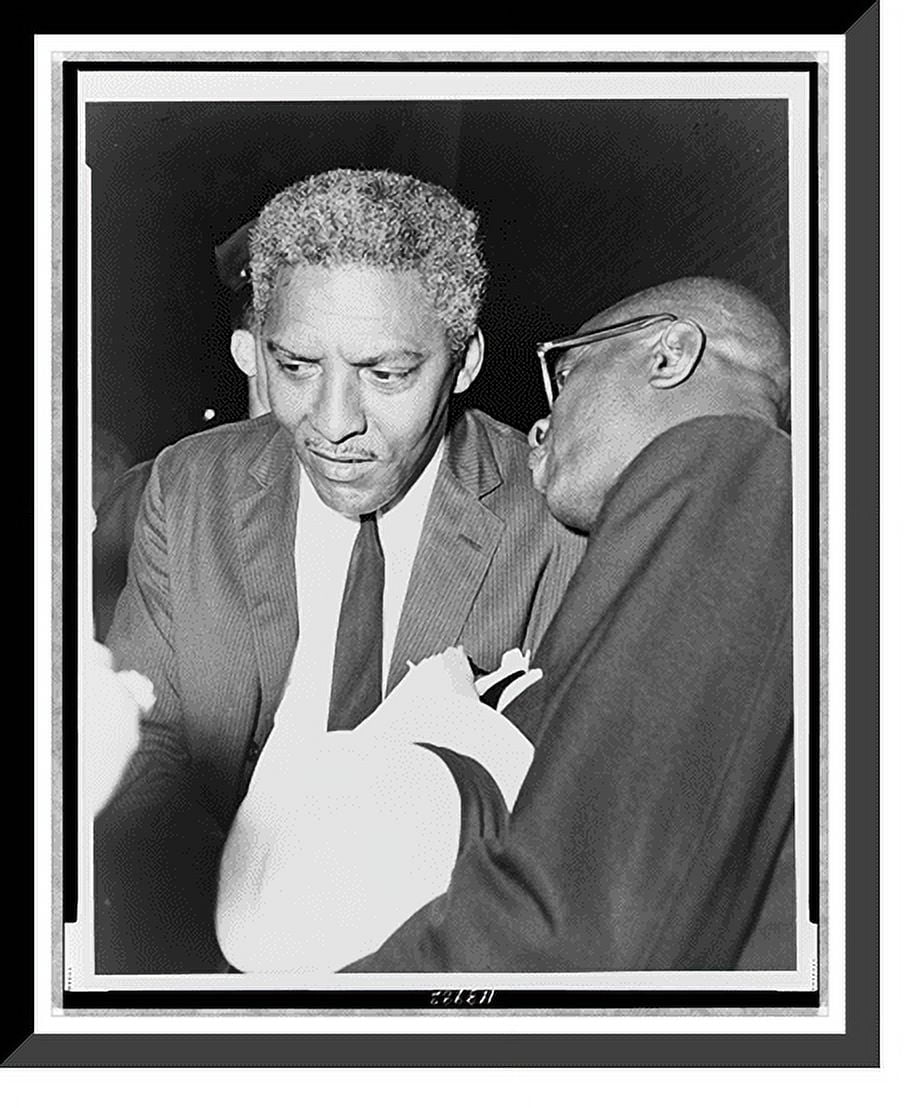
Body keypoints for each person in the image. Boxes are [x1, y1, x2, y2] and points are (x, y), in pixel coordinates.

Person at [95, 169, 585, 973]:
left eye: (385, 374)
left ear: (462, 364)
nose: (331, 424)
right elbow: (146, 748)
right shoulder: (187, 489)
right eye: (294, 367)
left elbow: (559, 821)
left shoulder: (546, 514)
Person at [339, 275, 797, 972]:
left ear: (668, 355)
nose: (539, 425)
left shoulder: (727, 463)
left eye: (568, 374)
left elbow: (573, 930)